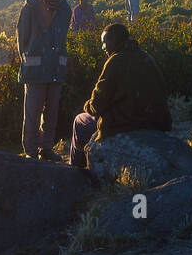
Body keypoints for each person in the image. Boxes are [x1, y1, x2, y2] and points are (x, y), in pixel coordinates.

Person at [69, 23, 173, 168]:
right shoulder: (146, 57)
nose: (103, 48)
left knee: (80, 121)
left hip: (127, 124)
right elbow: (163, 89)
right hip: (155, 122)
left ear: (115, 41)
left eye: (105, 42)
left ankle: (76, 171)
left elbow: (97, 105)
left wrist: (86, 106)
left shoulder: (115, 61)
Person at [17, 0, 72, 161]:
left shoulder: (65, 8)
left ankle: (46, 148)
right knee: (32, 113)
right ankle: (30, 151)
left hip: (56, 67)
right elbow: (21, 37)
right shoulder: (31, 7)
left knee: (52, 112)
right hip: (35, 69)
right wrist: (26, 57)